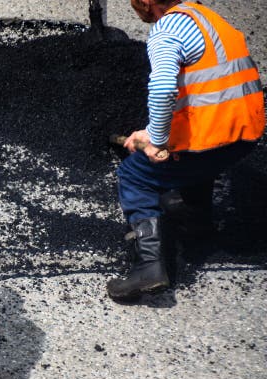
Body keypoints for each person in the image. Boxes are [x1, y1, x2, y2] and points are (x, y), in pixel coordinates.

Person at [107, 0, 264, 301]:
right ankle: (197, 220)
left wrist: (155, 138)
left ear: (148, 3)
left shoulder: (166, 30)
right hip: (244, 134)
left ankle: (149, 267)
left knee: (135, 174)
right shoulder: (206, 16)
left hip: (213, 138)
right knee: (192, 157)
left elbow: (164, 87)